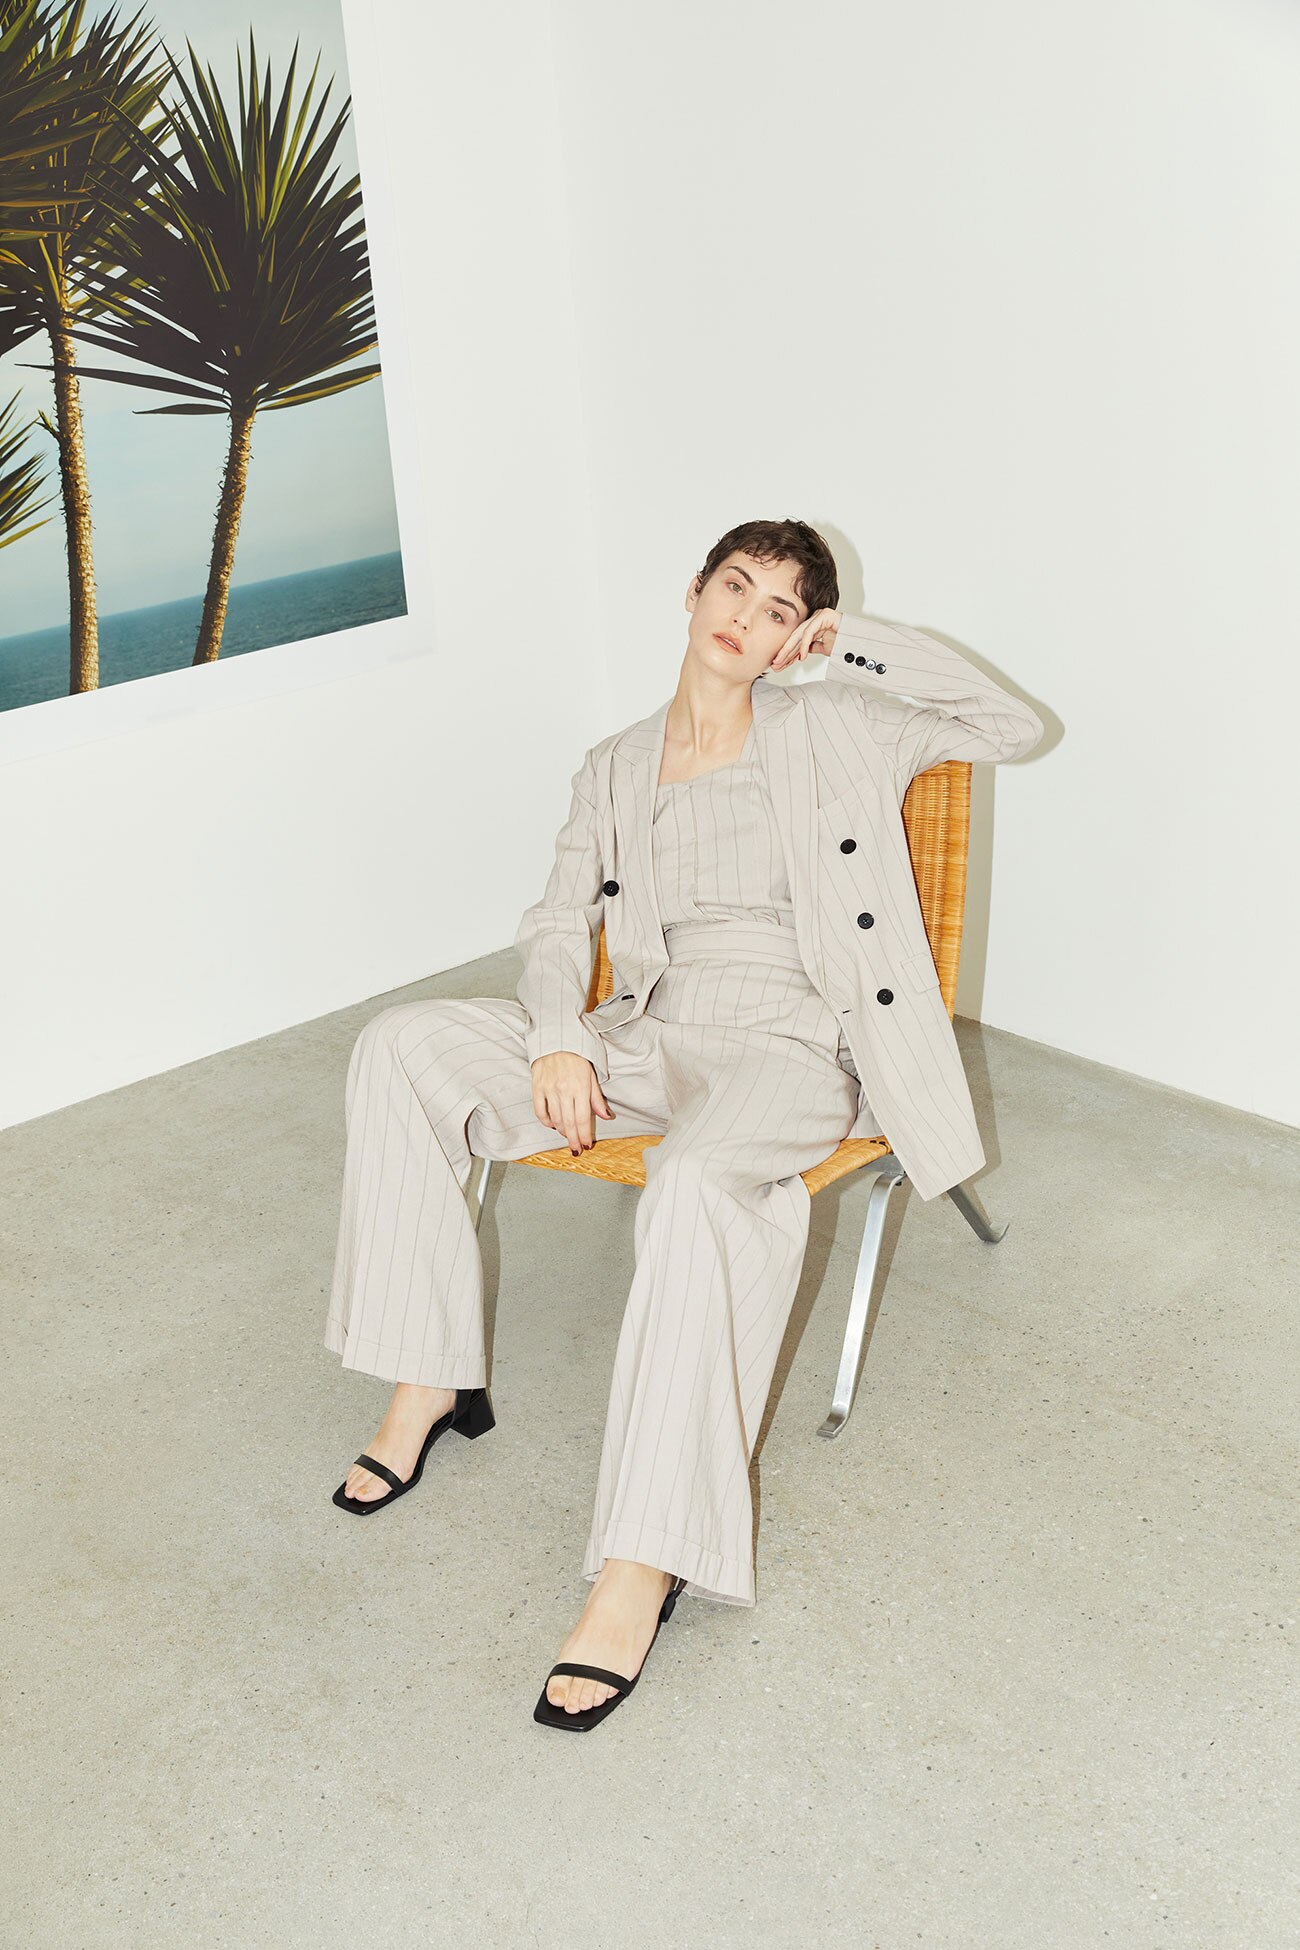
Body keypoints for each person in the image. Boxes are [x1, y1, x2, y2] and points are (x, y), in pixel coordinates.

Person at [323, 517, 1043, 1731]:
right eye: (736, 587)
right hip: (646, 1034)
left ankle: (643, 1562)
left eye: (779, 611)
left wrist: (850, 642)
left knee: (697, 1186)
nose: (747, 618)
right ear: (696, 590)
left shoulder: (836, 724)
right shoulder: (614, 763)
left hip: (787, 1047)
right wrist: (557, 1032)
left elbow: (1010, 727)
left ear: (794, 636)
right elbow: (558, 921)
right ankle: (429, 1382)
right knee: (403, 1045)